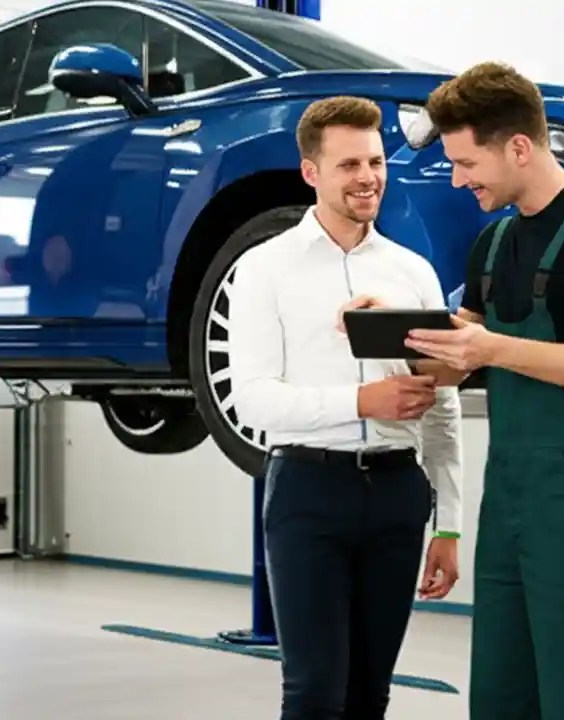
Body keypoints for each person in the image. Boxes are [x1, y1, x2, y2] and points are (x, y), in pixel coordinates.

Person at [404, 62, 564, 719]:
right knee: (500, 694)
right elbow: (462, 358)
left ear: (519, 146)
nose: (458, 180)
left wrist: (492, 348)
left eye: (465, 163)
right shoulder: (491, 244)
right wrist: (397, 333)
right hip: (511, 502)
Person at [227, 95, 464, 720]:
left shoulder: (413, 272)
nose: (368, 177)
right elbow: (252, 400)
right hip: (309, 492)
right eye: (349, 164)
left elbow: (441, 404)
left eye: (377, 161)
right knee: (313, 694)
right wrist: (360, 400)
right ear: (311, 172)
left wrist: (449, 522)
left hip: (397, 494)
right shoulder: (262, 270)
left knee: (370, 695)